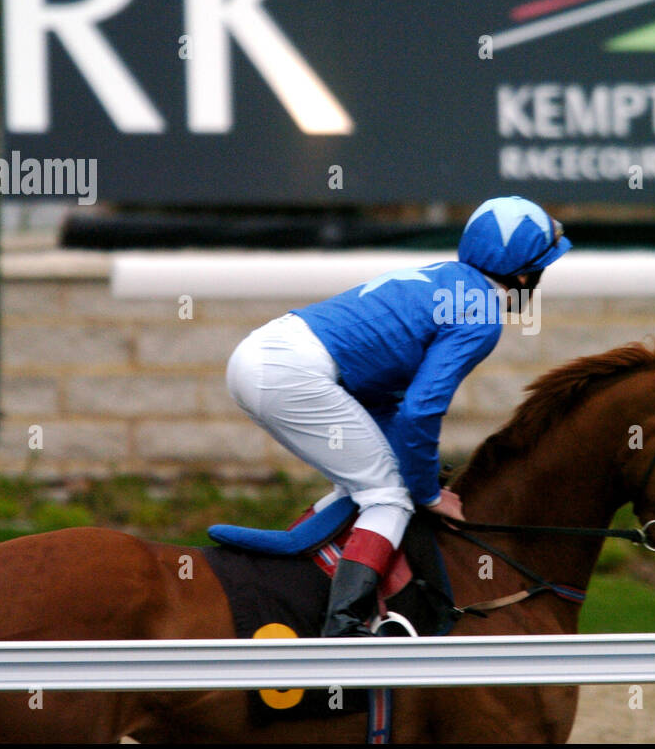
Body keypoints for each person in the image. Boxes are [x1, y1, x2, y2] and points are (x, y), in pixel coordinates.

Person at [224, 196, 571, 636]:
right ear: (525, 273)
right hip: (286, 371)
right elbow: (421, 410)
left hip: (262, 356)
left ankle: (295, 564)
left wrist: (412, 469)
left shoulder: (445, 277)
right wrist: (427, 492)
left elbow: (381, 396)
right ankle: (343, 627)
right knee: (388, 495)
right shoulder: (482, 311)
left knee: (368, 479)